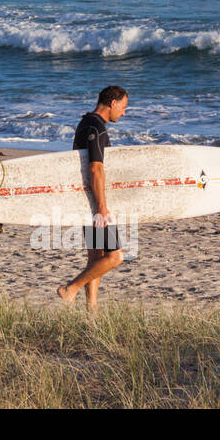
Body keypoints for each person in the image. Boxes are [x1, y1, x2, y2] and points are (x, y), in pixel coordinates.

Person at [57, 85, 128, 310]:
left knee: (96, 259)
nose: (124, 113)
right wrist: (102, 208)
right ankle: (71, 288)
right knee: (115, 257)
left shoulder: (86, 122)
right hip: (94, 203)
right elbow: (95, 169)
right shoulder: (97, 128)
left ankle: (92, 311)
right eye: (123, 107)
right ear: (112, 103)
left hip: (85, 201)